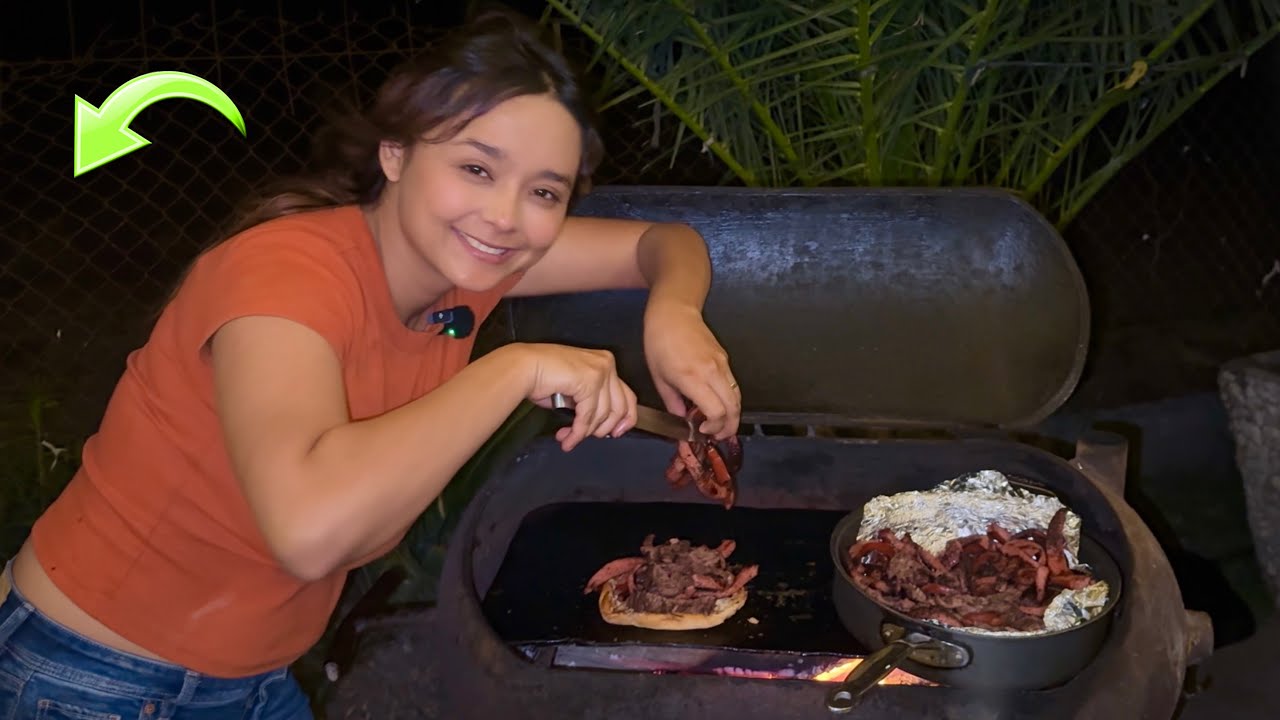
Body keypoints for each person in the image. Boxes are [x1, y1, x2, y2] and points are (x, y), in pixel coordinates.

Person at [0, 8, 741, 719]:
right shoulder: (286, 274)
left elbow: (667, 243)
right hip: (90, 676)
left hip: (248, 677)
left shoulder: (467, 263)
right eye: (477, 169)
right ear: (395, 154)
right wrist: (514, 369)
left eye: (543, 191)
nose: (507, 216)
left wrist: (673, 315)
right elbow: (309, 531)